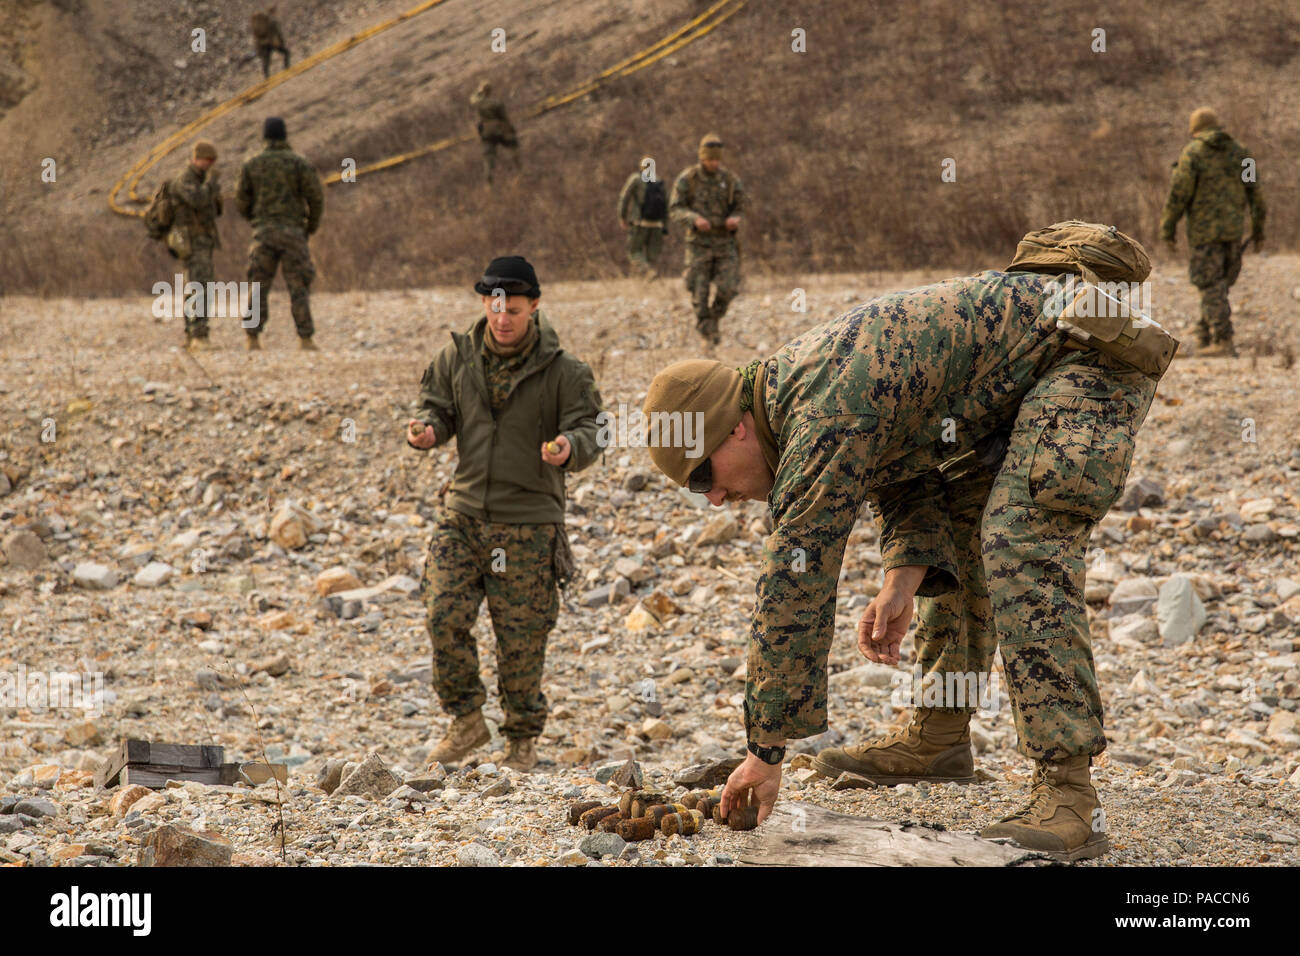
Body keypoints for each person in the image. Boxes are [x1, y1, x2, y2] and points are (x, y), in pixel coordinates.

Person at [640, 222, 1177, 861]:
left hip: (1088, 358)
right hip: (1025, 377)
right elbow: (906, 467)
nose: (717, 499)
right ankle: (940, 735)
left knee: (1018, 542)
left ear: (733, 431)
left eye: (704, 477)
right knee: (963, 527)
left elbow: (797, 578)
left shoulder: (820, 410)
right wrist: (902, 577)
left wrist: (766, 751)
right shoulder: (796, 399)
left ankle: (1069, 794)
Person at [407, 256, 604, 771]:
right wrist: (426, 430)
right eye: (495, 309)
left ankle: (521, 741)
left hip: (529, 523)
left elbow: (592, 430)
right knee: (441, 614)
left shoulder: (567, 371)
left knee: (521, 641)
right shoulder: (455, 357)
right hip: (464, 513)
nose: (502, 320)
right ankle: (467, 719)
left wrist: (568, 447)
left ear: (534, 306)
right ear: (483, 304)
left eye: (513, 310)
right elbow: (436, 408)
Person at [1159, 107, 1266, 357]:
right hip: (1233, 231)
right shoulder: (1243, 154)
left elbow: (1178, 194)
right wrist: (1258, 230)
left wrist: (1168, 228)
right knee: (1218, 285)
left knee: (1209, 283)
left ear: (1195, 130)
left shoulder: (1192, 153)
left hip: (1204, 234)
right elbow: (1256, 194)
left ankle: (1223, 340)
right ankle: (1204, 335)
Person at [235, 117, 324, 351]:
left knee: (259, 285)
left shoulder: (251, 164)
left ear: (264, 136)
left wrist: (256, 221)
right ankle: (305, 339)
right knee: (298, 286)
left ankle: (252, 338)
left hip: (263, 233)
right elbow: (315, 197)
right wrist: (309, 227)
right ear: (285, 136)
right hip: (293, 232)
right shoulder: (298, 163)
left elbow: (241, 200)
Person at [668, 133, 744, 344]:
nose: (714, 163)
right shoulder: (688, 179)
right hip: (698, 245)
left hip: (724, 243)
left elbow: (741, 206)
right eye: (710, 159)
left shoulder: (729, 180)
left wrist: (735, 218)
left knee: (729, 287)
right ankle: (707, 332)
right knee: (698, 294)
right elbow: (675, 208)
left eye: (717, 159)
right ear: (702, 158)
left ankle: (712, 322)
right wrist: (693, 219)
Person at [168, 140, 223, 352]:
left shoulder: (201, 180)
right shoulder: (186, 180)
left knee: (200, 285)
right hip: (192, 241)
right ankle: (198, 334)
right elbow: (198, 200)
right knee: (199, 286)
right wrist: (212, 184)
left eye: (212, 161)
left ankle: (194, 333)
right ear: (197, 159)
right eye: (207, 160)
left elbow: (215, 209)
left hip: (203, 240)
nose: (210, 165)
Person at [617, 161, 669, 276]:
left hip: (640, 223)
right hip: (657, 225)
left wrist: (622, 216)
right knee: (651, 256)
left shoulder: (636, 179)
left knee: (634, 251)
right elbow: (666, 206)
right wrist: (665, 227)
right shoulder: (659, 181)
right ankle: (645, 282)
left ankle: (647, 273)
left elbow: (624, 198)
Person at [470, 81, 519, 184]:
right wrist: (510, 130)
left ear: (483, 92)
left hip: (487, 132)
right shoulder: (497, 102)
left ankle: (488, 182)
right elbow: (504, 118)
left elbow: (472, 99)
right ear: (490, 91)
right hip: (500, 129)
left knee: (488, 157)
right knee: (513, 148)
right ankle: (519, 171)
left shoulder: (479, 103)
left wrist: (478, 91)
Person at [250, 8, 290, 78]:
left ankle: (266, 77)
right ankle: (287, 68)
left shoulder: (263, 22)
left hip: (263, 44)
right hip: (272, 43)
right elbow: (277, 33)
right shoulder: (271, 21)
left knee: (266, 61)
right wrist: (280, 42)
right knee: (286, 53)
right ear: (273, 11)